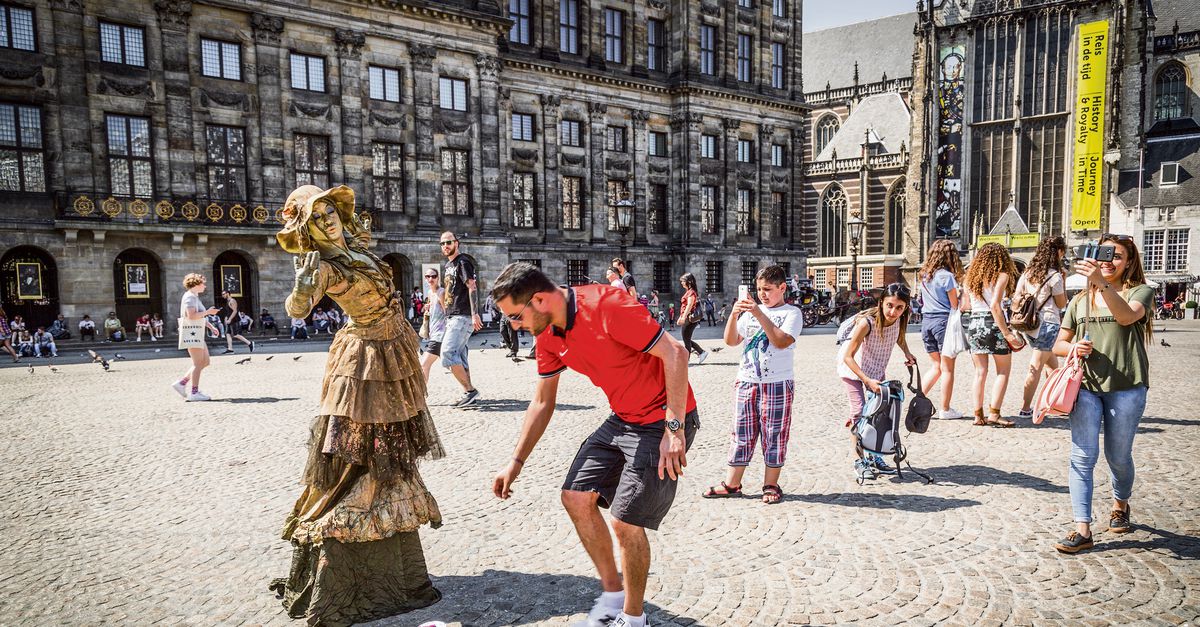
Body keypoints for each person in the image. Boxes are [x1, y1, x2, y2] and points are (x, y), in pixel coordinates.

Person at [270, 184, 444, 623]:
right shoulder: (324, 266)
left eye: (330, 212)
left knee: (389, 448)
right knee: (353, 451)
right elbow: (298, 308)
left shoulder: (359, 249)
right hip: (363, 359)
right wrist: (301, 288)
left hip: (394, 348)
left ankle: (385, 528)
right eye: (317, 217)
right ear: (306, 228)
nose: (327, 220)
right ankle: (345, 536)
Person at [490, 262, 698, 627]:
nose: (513, 326)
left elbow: (676, 353)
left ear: (539, 299)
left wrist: (675, 430)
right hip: (623, 418)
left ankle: (634, 620)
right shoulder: (547, 335)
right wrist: (515, 462)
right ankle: (613, 596)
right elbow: (542, 402)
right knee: (574, 496)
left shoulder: (607, 305)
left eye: (514, 317)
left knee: (624, 521)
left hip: (661, 421)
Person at [1051, 234, 1154, 554]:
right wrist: (1073, 347)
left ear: (1130, 262)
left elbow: (1126, 316)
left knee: (1118, 456)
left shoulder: (1140, 292)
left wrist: (1100, 282)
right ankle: (1082, 528)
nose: (1109, 261)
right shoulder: (1078, 301)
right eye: (1104, 254)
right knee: (1082, 456)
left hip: (1127, 388)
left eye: (1117, 256)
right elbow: (1057, 344)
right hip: (1085, 388)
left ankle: (1120, 505)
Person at [702, 266, 802, 504]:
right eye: (759, 289)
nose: (762, 294)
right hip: (747, 381)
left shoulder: (792, 313)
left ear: (782, 288)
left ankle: (771, 484)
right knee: (741, 432)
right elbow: (731, 341)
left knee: (774, 434)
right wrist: (734, 315)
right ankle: (732, 483)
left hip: (777, 382)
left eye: (767, 289)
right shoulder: (750, 313)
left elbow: (780, 341)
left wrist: (759, 313)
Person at [837, 283, 917, 482]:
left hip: (876, 371)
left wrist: (907, 352)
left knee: (879, 414)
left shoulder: (900, 319)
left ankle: (875, 457)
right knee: (859, 412)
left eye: (899, 307)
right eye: (889, 305)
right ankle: (859, 461)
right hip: (854, 370)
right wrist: (867, 380)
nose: (893, 311)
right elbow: (848, 356)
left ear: (905, 307)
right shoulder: (867, 323)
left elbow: (898, 336)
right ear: (881, 302)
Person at [963, 242, 1023, 427]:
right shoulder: (1002, 275)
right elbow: (995, 305)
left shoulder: (969, 277)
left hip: (974, 323)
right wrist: (1007, 332)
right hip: (993, 323)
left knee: (980, 372)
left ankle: (977, 415)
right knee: (1003, 371)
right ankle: (994, 414)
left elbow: (966, 306)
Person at [1015, 237, 1068, 419]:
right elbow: (1061, 304)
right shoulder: (1054, 276)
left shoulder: (1027, 273)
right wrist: (1064, 281)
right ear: (1058, 252)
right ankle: (1025, 408)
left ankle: (1054, 402)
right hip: (1048, 324)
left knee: (1052, 364)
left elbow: (1016, 299)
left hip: (1030, 325)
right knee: (1036, 366)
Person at [917, 239, 966, 420]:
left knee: (936, 366)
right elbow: (954, 305)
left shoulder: (924, 276)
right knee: (947, 369)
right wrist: (961, 295)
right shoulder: (947, 276)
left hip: (926, 322)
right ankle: (945, 409)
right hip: (942, 323)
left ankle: (917, 399)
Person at [439, 230, 482, 407]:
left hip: (462, 316)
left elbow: (472, 287)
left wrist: (474, 314)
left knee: (447, 354)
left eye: (448, 242)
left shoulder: (463, 262)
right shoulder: (449, 266)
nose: (445, 246)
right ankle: (468, 392)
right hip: (453, 317)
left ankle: (470, 390)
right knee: (460, 356)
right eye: (442, 243)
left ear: (456, 243)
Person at [173, 273, 221, 402]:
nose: (205, 286)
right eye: (203, 283)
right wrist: (209, 312)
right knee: (198, 363)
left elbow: (198, 316)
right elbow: (192, 316)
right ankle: (194, 392)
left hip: (197, 332)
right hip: (192, 332)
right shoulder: (190, 297)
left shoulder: (194, 296)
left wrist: (211, 326)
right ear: (196, 284)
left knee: (205, 362)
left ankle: (182, 383)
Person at [419, 268, 447, 382]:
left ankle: (422, 394)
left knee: (424, 364)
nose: (430, 279)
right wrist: (427, 308)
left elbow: (448, 313)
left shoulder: (441, 292)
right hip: (434, 333)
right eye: (428, 276)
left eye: (433, 276)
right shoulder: (430, 293)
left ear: (438, 277)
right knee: (455, 364)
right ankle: (468, 389)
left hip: (440, 335)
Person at [677, 273, 708, 364]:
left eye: (683, 281)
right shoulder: (689, 291)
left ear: (688, 282)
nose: (682, 283)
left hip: (689, 319)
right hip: (687, 318)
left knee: (686, 339)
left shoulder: (691, 292)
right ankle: (701, 352)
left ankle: (687, 359)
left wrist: (683, 317)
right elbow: (685, 305)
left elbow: (689, 305)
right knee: (686, 338)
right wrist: (681, 316)